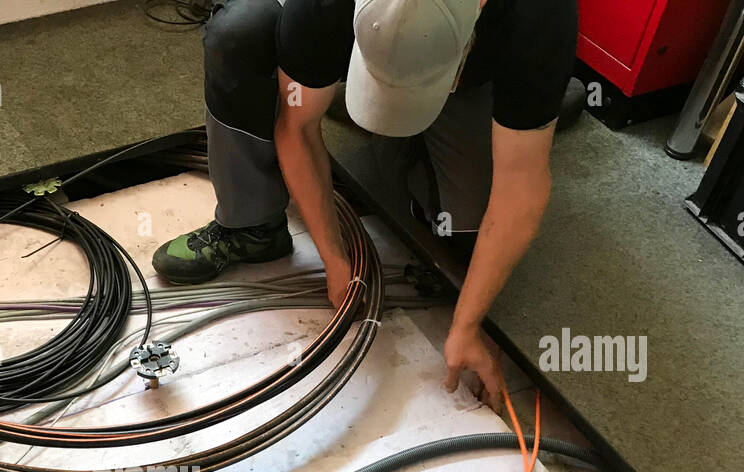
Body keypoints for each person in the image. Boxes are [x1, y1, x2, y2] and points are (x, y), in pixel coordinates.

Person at [151, 0, 581, 411]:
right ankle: (251, 225)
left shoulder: (541, 14)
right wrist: (335, 260)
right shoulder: (324, 7)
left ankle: (525, 105)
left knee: (463, 233)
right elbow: (297, 127)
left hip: (474, 72)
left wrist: (467, 324)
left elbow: (520, 185)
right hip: (335, 31)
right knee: (241, 33)